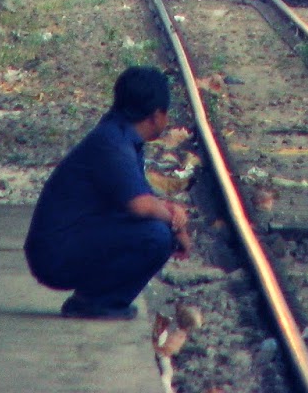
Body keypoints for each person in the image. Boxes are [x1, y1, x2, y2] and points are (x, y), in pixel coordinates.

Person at [23, 66, 192, 320]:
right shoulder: (113, 143)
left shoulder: (119, 135)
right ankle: (94, 302)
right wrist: (174, 219)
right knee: (156, 236)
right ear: (157, 115)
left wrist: (172, 219)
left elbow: (144, 201)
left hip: (64, 243)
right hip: (54, 254)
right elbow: (141, 206)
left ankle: (95, 298)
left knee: (159, 229)